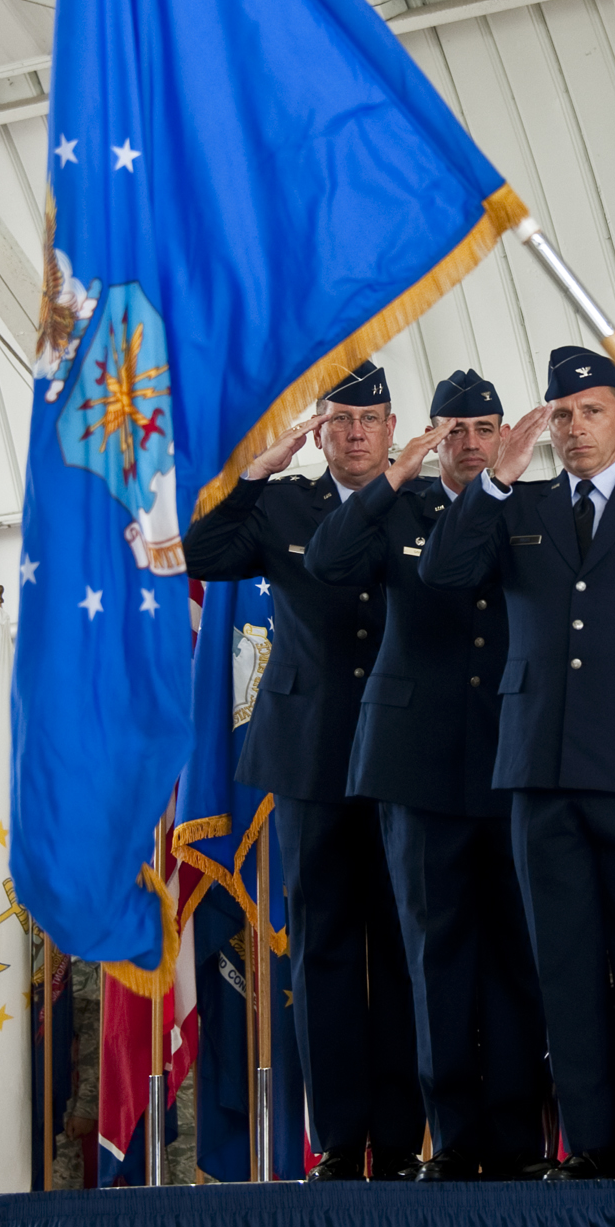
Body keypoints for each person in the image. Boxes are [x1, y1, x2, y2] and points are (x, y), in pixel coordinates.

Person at [419, 346, 615, 1179]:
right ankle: (590, 1144)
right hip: (539, 767)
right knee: (560, 965)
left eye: (590, 411)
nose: (574, 427)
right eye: (561, 414)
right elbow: (444, 573)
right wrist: (493, 482)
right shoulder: (513, 506)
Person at [303, 368, 548, 1182]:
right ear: (433, 435)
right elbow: (330, 561)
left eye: (485, 429)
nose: (472, 445)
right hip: (415, 766)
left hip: (510, 762)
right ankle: (451, 1141)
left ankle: (515, 1141)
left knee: (515, 958)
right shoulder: (395, 504)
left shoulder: (533, 506)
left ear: (508, 432)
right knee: (433, 955)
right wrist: (396, 472)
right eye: (456, 431)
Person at [181, 363, 422, 1181]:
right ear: (319, 431)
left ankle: (397, 1142)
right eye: (341, 420)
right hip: (309, 752)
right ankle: (340, 1139)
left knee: (399, 946)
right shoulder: (284, 505)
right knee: (320, 951)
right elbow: (206, 552)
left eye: (371, 420)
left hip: (400, 759)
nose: (356, 434)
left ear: (394, 429)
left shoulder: (422, 506)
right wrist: (252, 476)